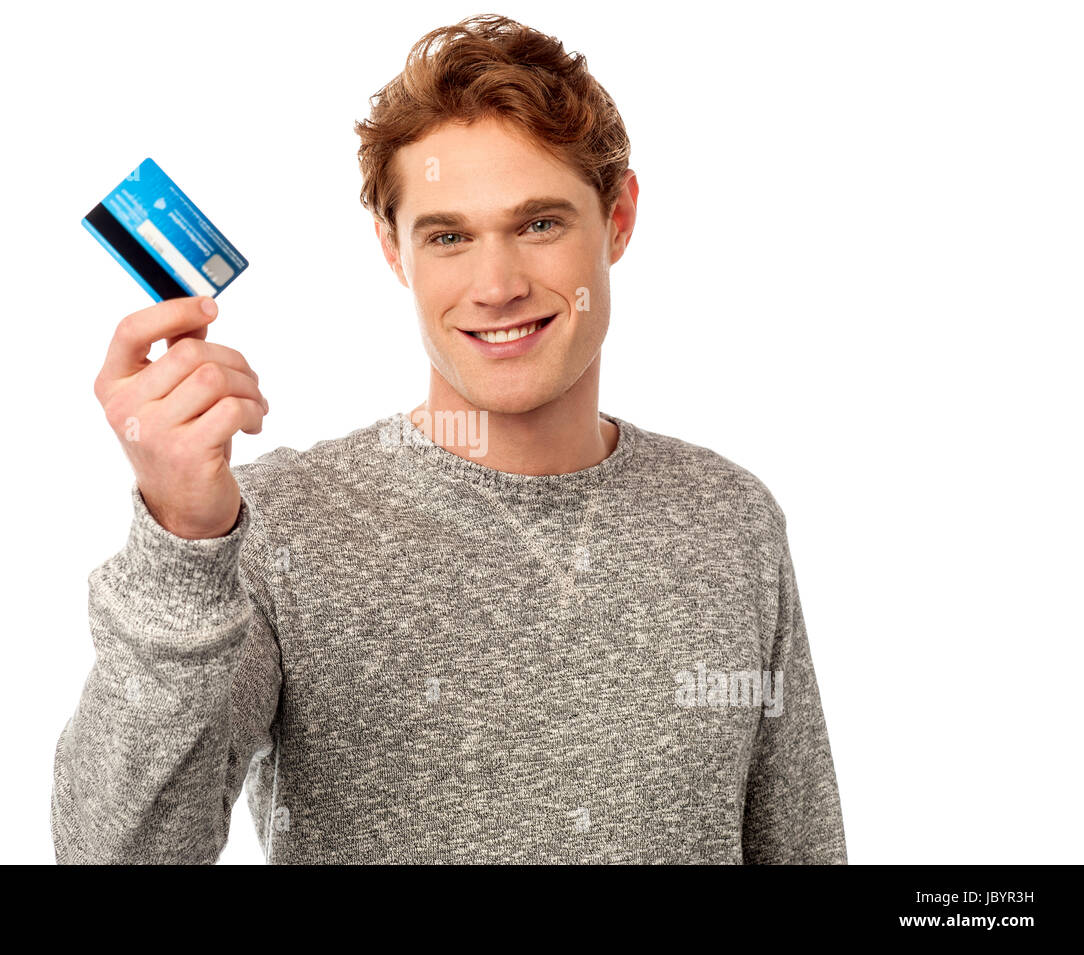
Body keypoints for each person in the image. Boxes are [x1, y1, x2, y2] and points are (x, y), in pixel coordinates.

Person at [49, 13, 847, 864]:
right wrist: (180, 541)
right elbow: (117, 852)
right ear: (395, 249)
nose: (497, 285)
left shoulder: (729, 519)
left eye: (540, 223)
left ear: (618, 219)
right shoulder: (284, 529)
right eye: (449, 236)